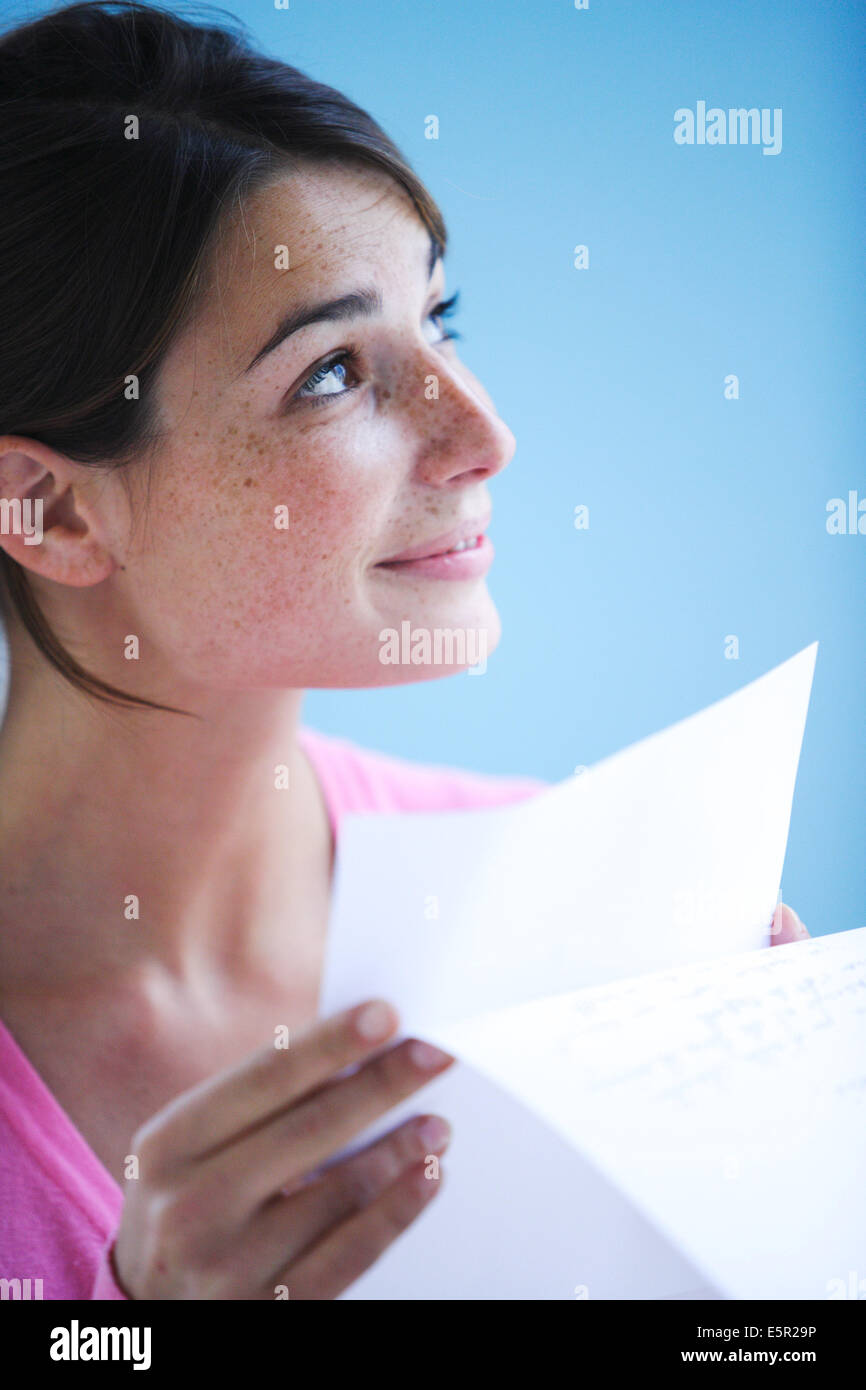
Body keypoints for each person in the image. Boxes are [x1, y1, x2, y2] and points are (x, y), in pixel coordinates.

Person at [0, 0, 810, 1301]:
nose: (482, 434)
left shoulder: (582, 918)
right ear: (52, 508)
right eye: (331, 372)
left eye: (441, 324)